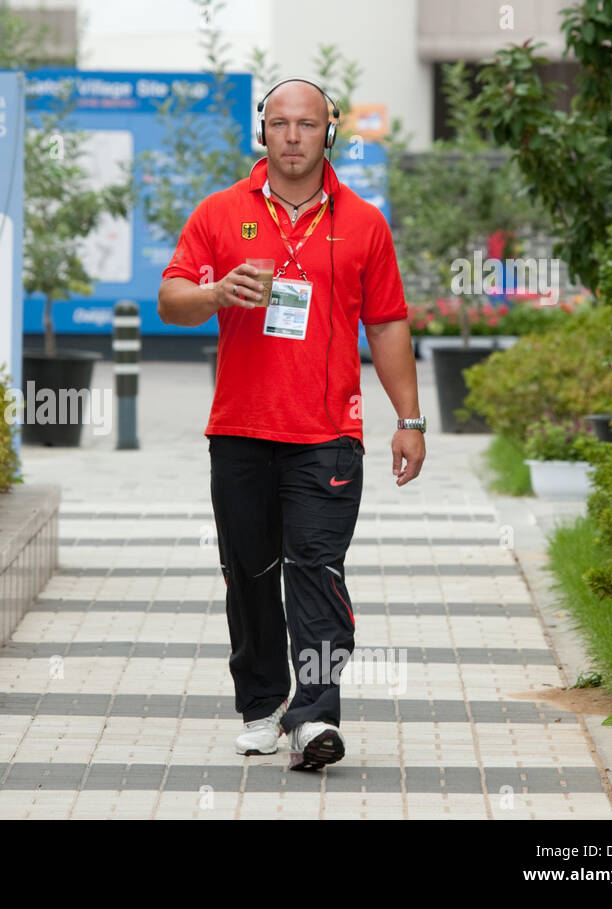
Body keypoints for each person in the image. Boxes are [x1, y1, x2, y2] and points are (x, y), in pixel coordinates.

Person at [157, 78, 426, 771]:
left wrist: (411, 418)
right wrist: (215, 291)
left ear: (328, 131)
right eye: (281, 123)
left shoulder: (363, 222)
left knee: (316, 570)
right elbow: (171, 297)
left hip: (328, 434)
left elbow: (389, 323)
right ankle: (259, 706)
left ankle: (314, 714)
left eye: (307, 124)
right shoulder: (221, 212)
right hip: (241, 431)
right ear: (264, 131)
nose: (294, 136)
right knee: (248, 572)